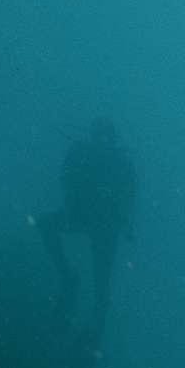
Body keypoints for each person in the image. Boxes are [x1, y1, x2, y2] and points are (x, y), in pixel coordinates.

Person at [37, 117, 138, 353]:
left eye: (105, 137)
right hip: (85, 217)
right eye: (99, 135)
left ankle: (94, 336)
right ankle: (69, 278)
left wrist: (122, 218)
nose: (102, 140)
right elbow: (66, 178)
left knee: (101, 283)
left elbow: (129, 195)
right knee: (46, 226)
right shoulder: (84, 153)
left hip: (104, 226)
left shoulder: (118, 161)